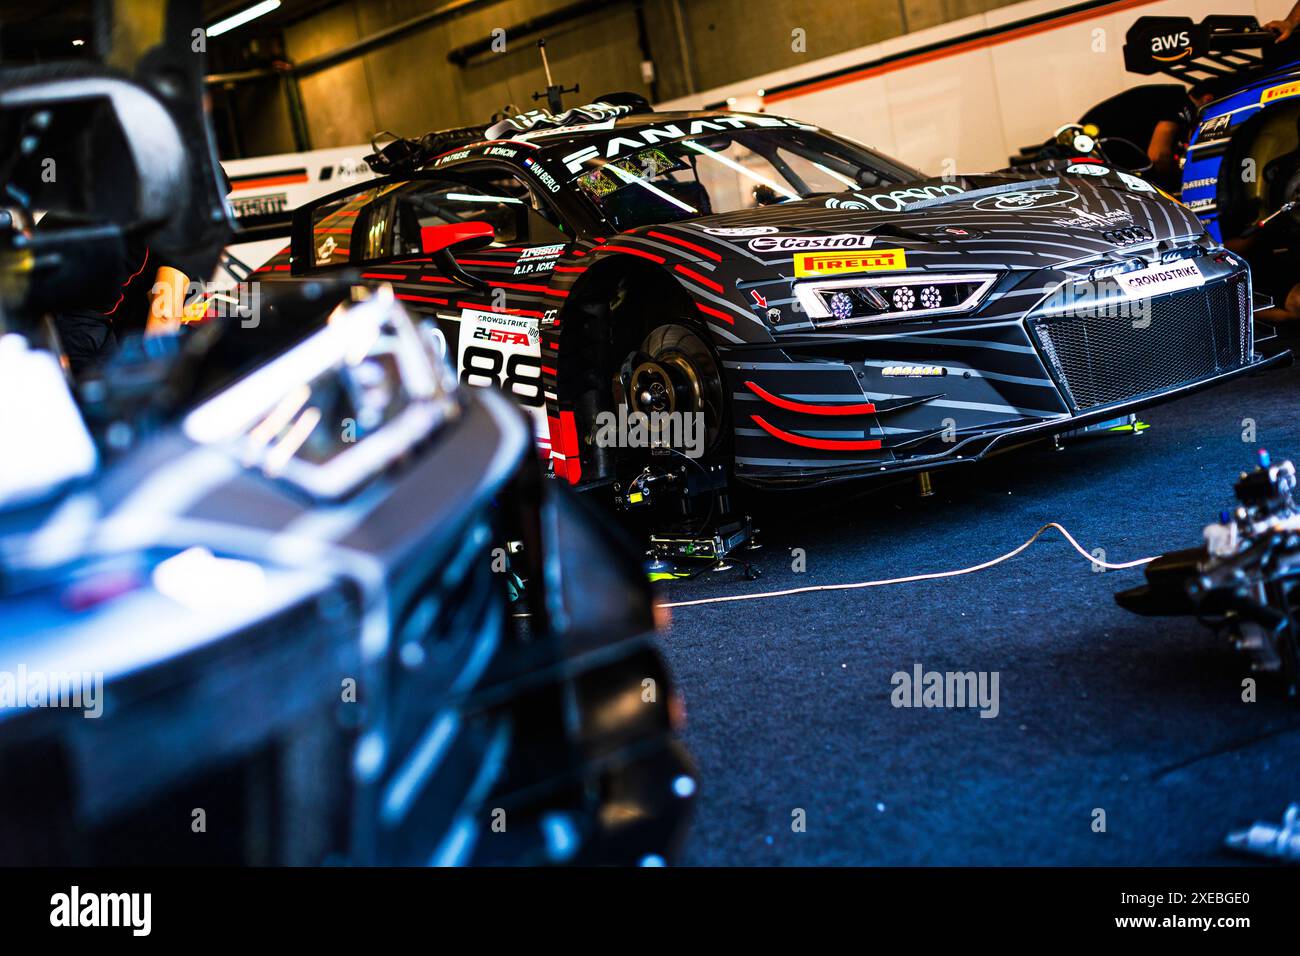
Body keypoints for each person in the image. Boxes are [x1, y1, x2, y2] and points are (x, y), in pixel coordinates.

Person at [1079, 82, 1216, 192]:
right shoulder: (1177, 100)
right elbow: (1158, 156)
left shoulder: (1170, 96)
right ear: (1207, 99)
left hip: (1094, 157)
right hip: (1089, 155)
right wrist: (1186, 178)